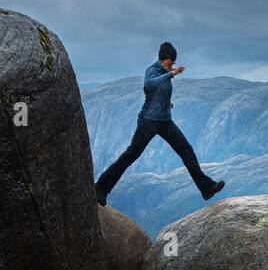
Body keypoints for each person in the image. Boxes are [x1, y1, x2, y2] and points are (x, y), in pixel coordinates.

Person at [95, 42, 226, 205]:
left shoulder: (165, 71)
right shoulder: (153, 70)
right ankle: (100, 188)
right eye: (172, 61)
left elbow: (158, 93)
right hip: (148, 122)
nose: (174, 64)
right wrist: (171, 74)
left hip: (165, 122)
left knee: (186, 150)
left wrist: (166, 103)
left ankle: (206, 188)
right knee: (131, 155)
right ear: (166, 59)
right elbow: (150, 85)